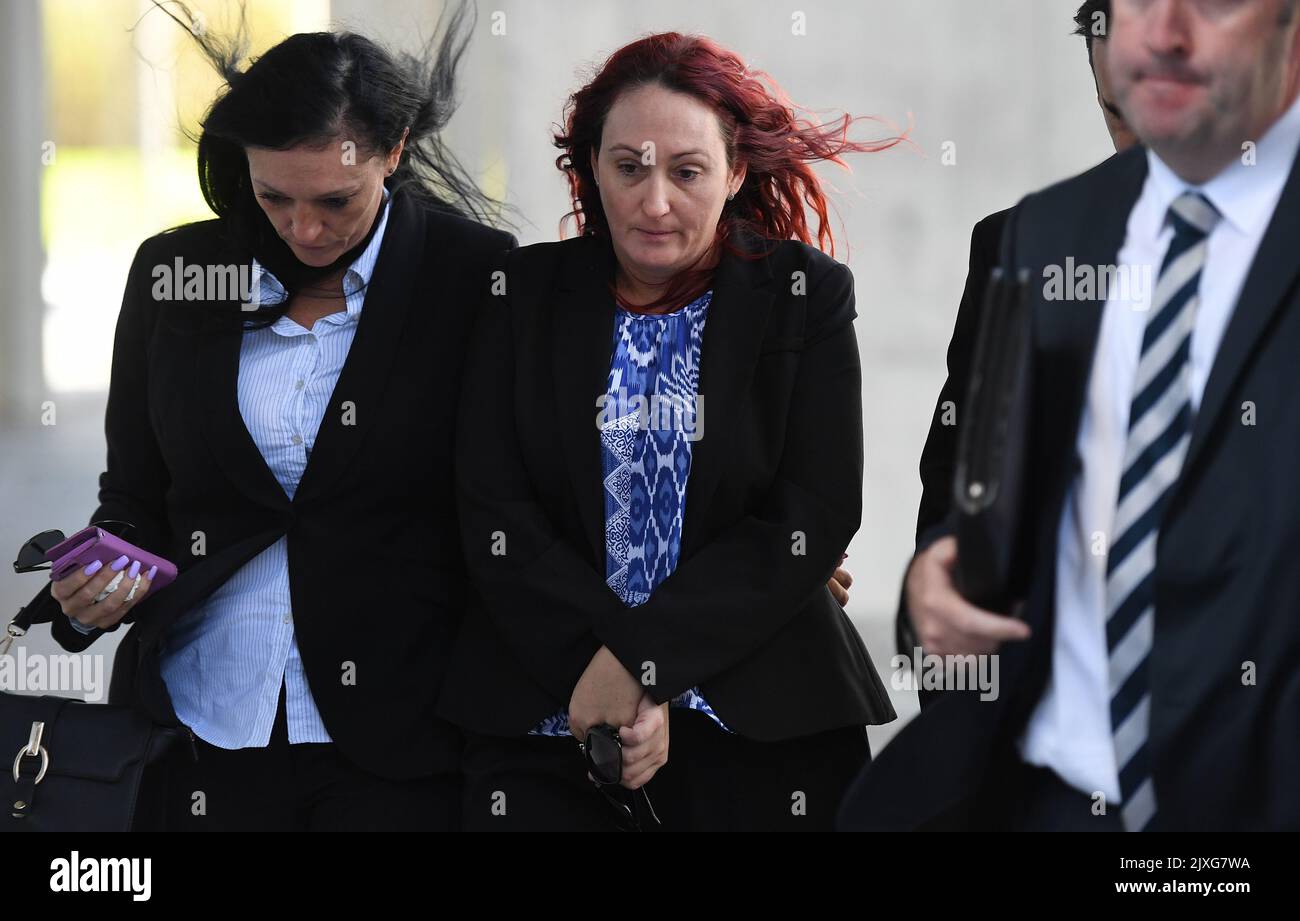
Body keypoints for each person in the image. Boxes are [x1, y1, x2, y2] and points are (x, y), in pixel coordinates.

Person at [37, 2, 515, 830]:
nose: (303, 227)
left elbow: (530, 490)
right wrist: (98, 584)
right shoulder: (176, 273)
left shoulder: (474, 278)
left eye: (336, 200)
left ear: (392, 152)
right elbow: (137, 493)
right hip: (200, 726)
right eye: (273, 197)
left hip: (402, 738)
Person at [845, 0, 1300, 831]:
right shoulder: (1045, 234)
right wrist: (935, 594)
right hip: (1045, 799)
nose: (1164, 34)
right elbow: (966, 508)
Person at [439, 31, 902, 831]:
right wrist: (595, 673)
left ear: (735, 171)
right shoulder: (517, 294)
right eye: (629, 167)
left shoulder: (803, 295)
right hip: (547, 717)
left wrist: (635, 665)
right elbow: (493, 510)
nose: (655, 202)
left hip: (762, 729)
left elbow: (813, 515)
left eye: (687, 172)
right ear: (592, 168)